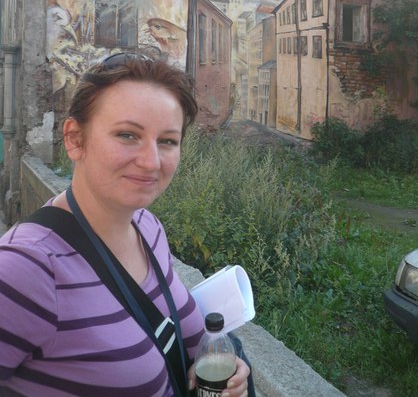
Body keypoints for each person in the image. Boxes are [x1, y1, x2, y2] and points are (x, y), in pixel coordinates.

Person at [0, 53, 250, 397]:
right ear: (75, 139)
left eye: (167, 141)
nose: (151, 162)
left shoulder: (148, 228)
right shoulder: (26, 268)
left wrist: (223, 367)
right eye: (128, 135)